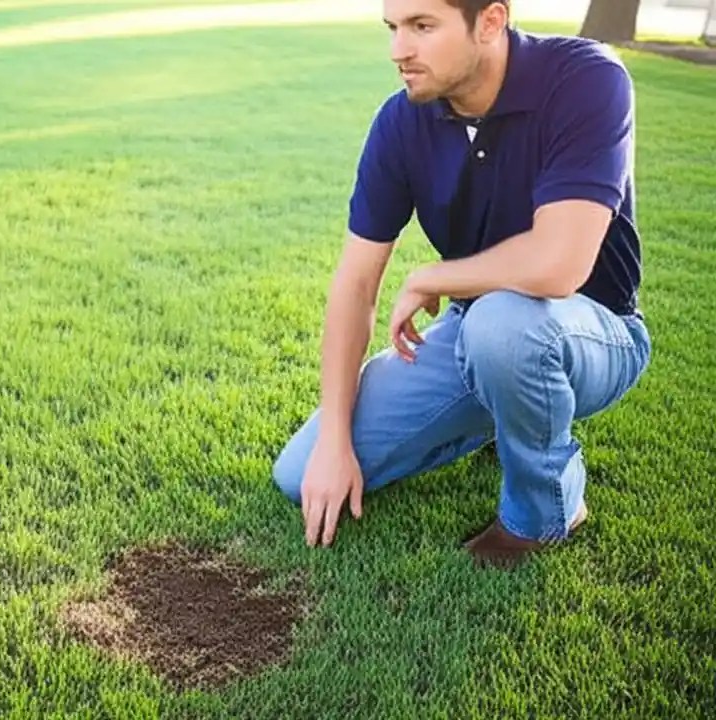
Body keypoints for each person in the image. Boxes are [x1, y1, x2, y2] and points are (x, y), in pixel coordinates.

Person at [270, 0, 651, 568]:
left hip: (593, 332)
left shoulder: (588, 78)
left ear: (491, 21)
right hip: (476, 330)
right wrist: (333, 443)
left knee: (506, 328)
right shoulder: (401, 122)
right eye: (393, 28)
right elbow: (356, 281)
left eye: (422, 26)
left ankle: (545, 513)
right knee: (299, 472)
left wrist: (435, 275)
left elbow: (559, 265)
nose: (399, 50)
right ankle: (502, 411)